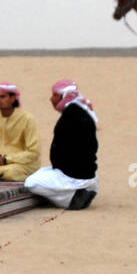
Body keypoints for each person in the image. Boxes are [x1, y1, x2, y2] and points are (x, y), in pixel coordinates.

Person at [24, 80, 98, 209]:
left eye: (55, 95)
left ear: (64, 96)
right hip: (86, 175)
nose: (51, 99)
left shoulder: (71, 116)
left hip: (72, 177)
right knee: (38, 172)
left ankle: (71, 198)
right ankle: (80, 190)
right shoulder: (80, 111)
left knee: (31, 182)